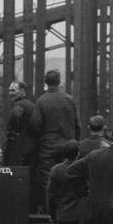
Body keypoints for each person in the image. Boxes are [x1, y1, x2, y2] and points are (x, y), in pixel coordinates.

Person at [29, 70, 80, 209]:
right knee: (69, 175)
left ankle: (49, 211)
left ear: (46, 82)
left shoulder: (41, 101)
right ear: (59, 81)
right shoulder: (69, 99)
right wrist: (75, 141)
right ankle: (68, 208)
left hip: (48, 145)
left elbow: (35, 124)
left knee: (48, 178)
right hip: (68, 144)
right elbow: (77, 124)